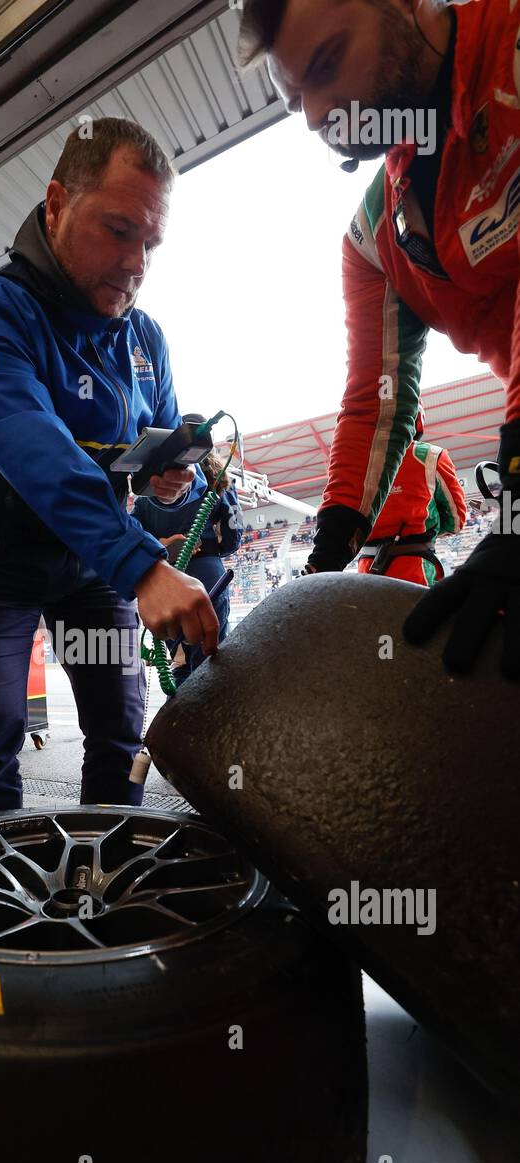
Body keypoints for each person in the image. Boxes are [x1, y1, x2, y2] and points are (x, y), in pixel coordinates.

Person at [239, 0, 520, 677]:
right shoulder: (373, 237)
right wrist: (324, 562)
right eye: (296, 94)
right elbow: (377, 403)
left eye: (328, 63)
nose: (313, 115)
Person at [0, 117, 218, 816]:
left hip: (94, 567)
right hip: (0, 563)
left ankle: (111, 887)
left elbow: (161, 454)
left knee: (120, 735)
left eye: (151, 244)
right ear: (59, 203)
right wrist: (144, 566)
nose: (136, 263)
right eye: (119, 230)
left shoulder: (147, 338)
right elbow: (33, 445)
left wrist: (168, 479)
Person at [132, 434, 243, 684]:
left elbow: (134, 533)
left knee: (180, 664)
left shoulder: (149, 490)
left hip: (166, 581)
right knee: (211, 663)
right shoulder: (221, 483)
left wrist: (162, 545)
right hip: (209, 577)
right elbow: (233, 539)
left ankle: (181, 718)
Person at [355, 425, 466, 582]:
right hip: (416, 571)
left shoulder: (353, 465)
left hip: (367, 573)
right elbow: (455, 522)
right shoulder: (432, 455)